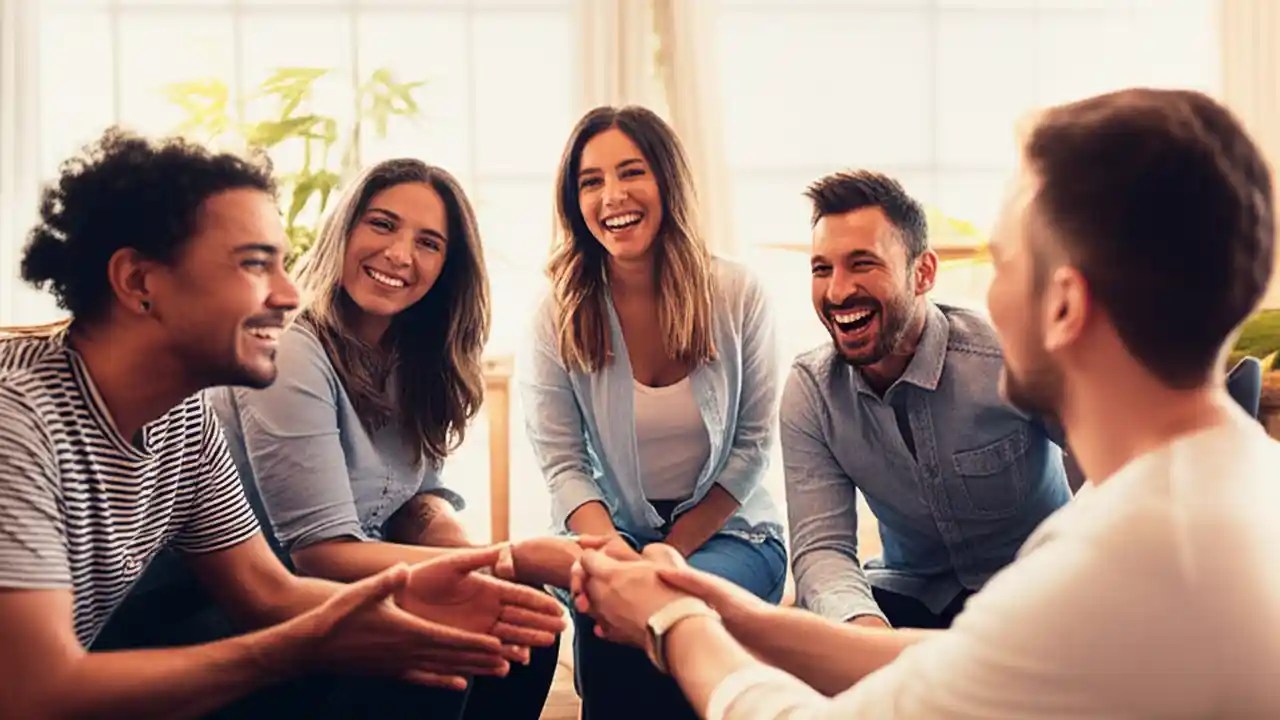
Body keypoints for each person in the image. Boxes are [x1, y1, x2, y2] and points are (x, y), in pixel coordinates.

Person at [572, 87, 1280, 718]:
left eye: (1003, 265)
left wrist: (675, 622)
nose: (988, 299)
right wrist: (731, 611)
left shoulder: (1109, 565)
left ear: (1064, 304)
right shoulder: (1226, 480)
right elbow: (948, 655)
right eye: (823, 268)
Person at [0, 128, 565, 720]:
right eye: (253, 264)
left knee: (438, 651)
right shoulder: (19, 422)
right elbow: (37, 692)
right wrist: (308, 645)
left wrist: (431, 593)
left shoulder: (187, 419)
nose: (289, 292)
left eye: (281, 262)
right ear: (141, 283)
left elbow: (269, 592)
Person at [208, 157, 586, 719]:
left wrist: (473, 562)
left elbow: (416, 500)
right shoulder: (291, 347)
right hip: (252, 600)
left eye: (429, 243)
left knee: (525, 630)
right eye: (382, 225)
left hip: (349, 584)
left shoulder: (414, 354)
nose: (401, 255)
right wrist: (509, 558)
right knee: (442, 660)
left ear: (447, 268)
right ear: (345, 229)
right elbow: (320, 554)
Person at [520, 104, 788, 719]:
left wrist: (668, 554)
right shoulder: (554, 314)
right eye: (591, 182)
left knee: (675, 610)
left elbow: (751, 447)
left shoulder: (736, 293)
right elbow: (564, 466)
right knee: (612, 617)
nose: (612, 196)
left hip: (730, 535)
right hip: (608, 534)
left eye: (631, 172)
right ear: (574, 201)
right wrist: (620, 558)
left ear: (667, 181)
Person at [784, 169, 1071, 629]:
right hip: (912, 596)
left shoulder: (1008, 357)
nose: (837, 291)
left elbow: (1109, 476)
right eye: (822, 269)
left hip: (1036, 597)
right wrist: (867, 636)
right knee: (810, 632)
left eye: (862, 263)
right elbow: (822, 551)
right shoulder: (811, 391)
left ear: (923, 273)